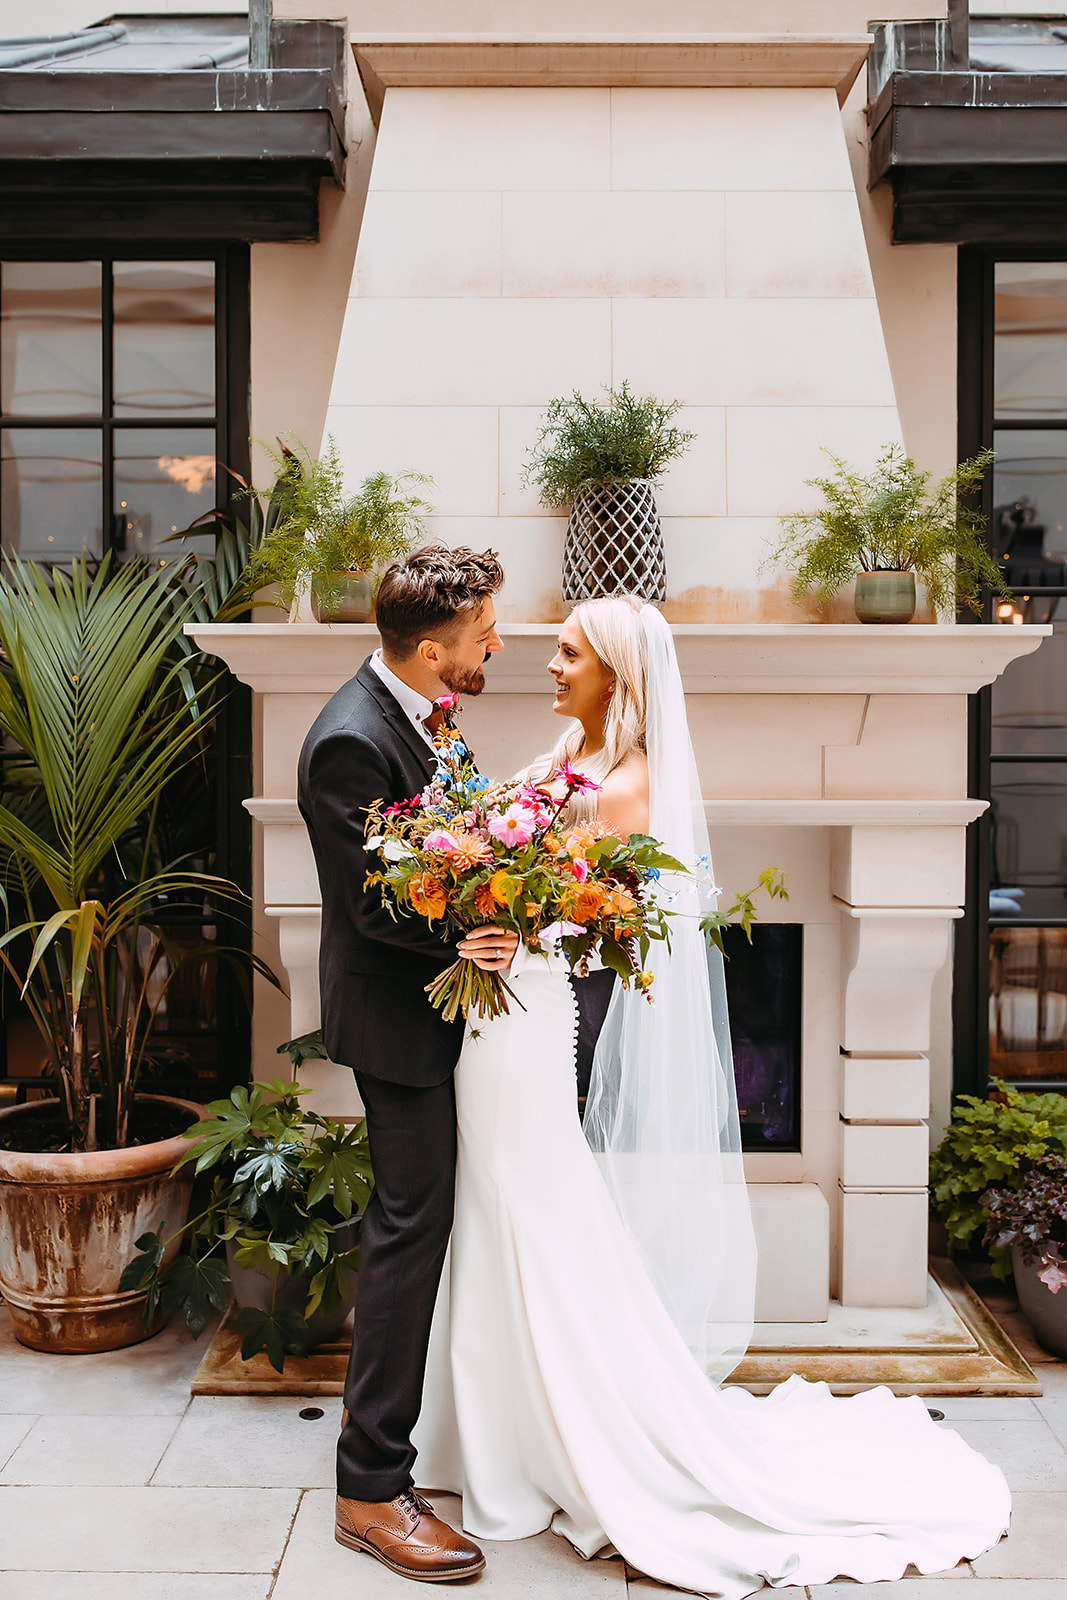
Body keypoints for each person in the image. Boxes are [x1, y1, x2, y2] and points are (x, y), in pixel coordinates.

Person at [411, 595, 1012, 1600]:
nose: (550, 665)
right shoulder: (572, 754)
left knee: (522, 1200)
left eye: (568, 653)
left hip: (530, 1007)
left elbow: (595, 921)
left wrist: (512, 927)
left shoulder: (627, 785)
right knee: (498, 1200)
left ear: (616, 674)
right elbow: (516, 868)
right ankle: (483, 1429)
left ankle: (551, 1434)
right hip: (497, 1014)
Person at [297, 545, 520, 1584]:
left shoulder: (429, 713)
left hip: (445, 1010)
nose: (497, 646)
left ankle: (440, 1436)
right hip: (397, 1022)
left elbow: (450, 844)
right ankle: (368, 1487)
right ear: (433, 651)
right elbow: (371, 905)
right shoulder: (348, 740)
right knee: (407, 1231)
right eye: (484, 635)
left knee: (432, 1224)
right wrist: (475, 934)